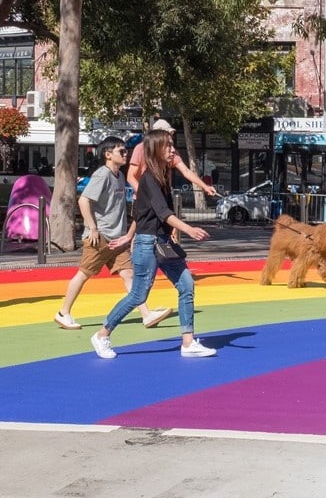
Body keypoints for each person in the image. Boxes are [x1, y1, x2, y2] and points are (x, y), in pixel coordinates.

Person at [90, 129, 215, 360]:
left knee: (186, 285)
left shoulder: (163, 177)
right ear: (155, 150)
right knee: (138, 295)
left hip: (163, 243)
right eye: (167, 146)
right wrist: (187, 229)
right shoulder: (149, 179)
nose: (172, 150)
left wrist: (128, 236)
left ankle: (188, 342)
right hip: (148, 244)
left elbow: (141, 213)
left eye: (172, 145)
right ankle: (102, 334)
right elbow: (162, 212)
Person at [53, 136, 173, 331]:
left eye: (126, 151)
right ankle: (63, 312)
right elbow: (84, 200)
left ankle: (146, 314)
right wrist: (92, 228)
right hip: (100, 237)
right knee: (84, 273)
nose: (125, 154)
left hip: (117, 239)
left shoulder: (118, 176)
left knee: (129, 275)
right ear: (108, 155)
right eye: (121, 151)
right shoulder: (103, 175)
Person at [126, 118, 217, 208]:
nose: (171, 136)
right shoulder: (140, 148)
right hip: (144, 200)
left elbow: (186, 171)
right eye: (168, 133)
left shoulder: (171, 152)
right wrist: (144, 194)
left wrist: (205, 186)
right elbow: (131, 176)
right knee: (141, 222)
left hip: (162, 197)